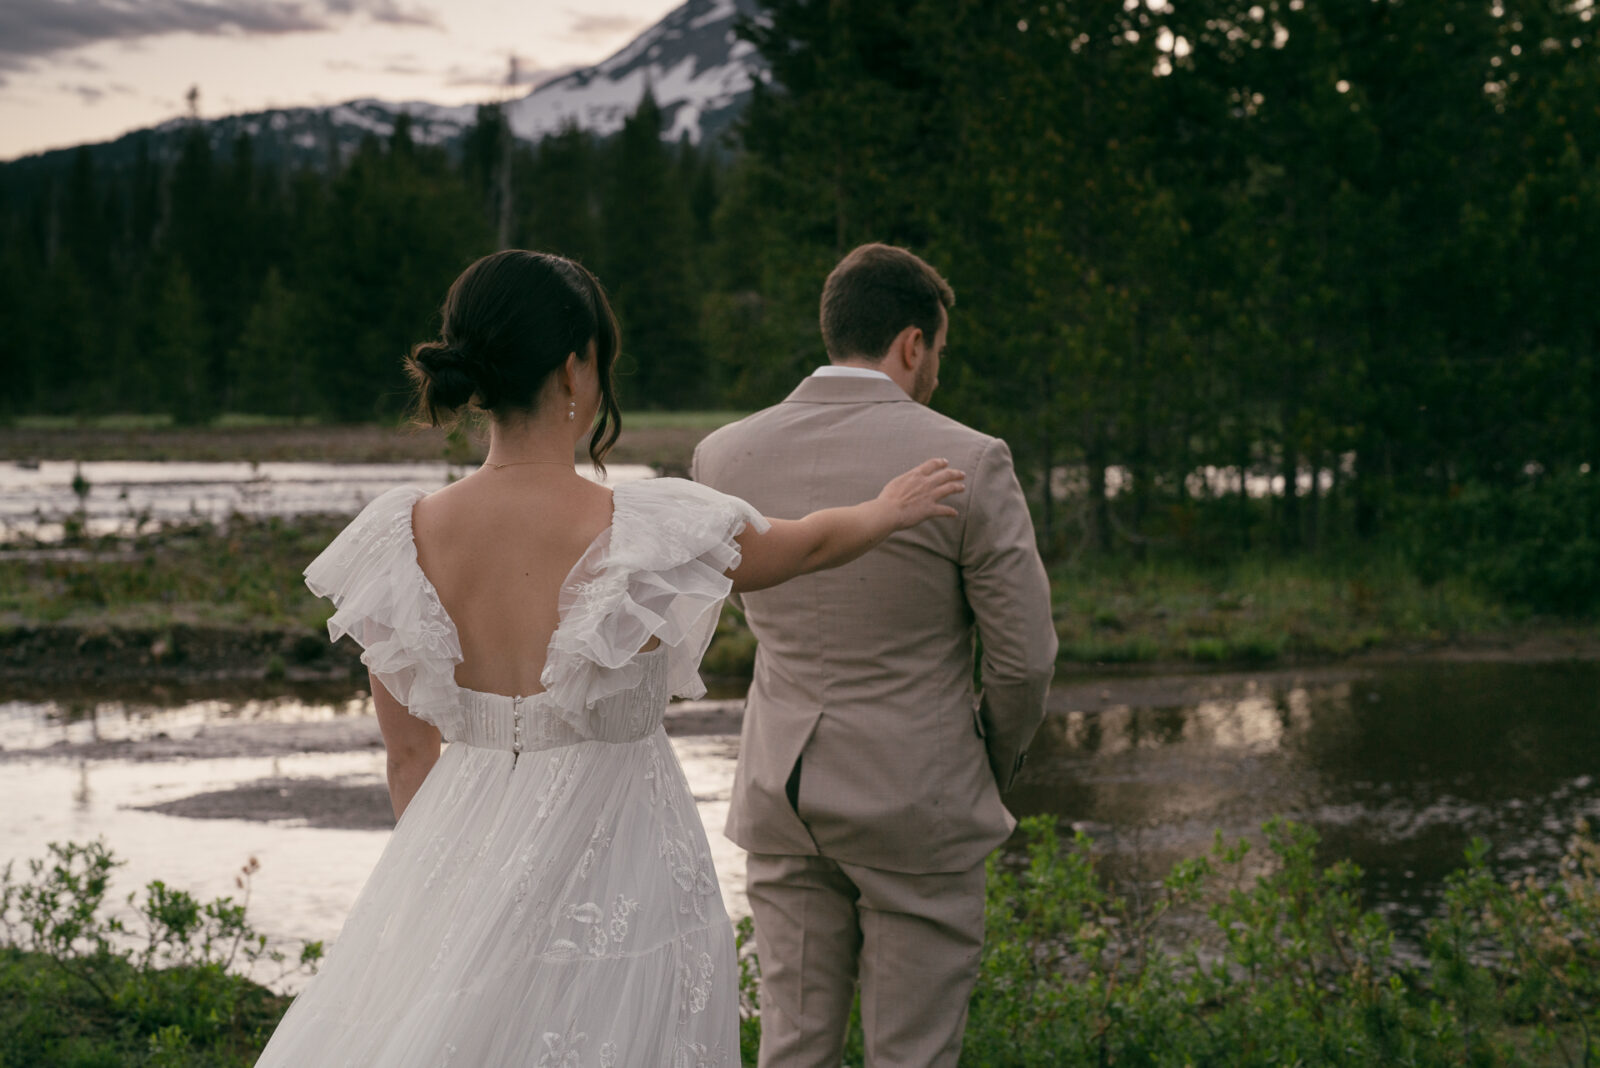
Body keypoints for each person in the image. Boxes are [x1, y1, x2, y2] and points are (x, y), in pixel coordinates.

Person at [253, 249, 965, 1067]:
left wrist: (450, 892)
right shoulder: (648, 529)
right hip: (625, 858)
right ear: (574, 368)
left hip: (459, 841)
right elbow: (803, 546)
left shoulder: (400, 536)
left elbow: (409, 757)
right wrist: (886, 509)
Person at [692, 243, 1058, 1067]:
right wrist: (986, 763)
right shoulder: (971, 459)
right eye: (940, 351)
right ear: (912, 344)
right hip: (917, 797)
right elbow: (1024, 660)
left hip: (782, 793)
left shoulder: (723, 456)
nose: (937, 372)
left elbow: (734, 601)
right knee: (911, 1056)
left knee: (792, 1050)